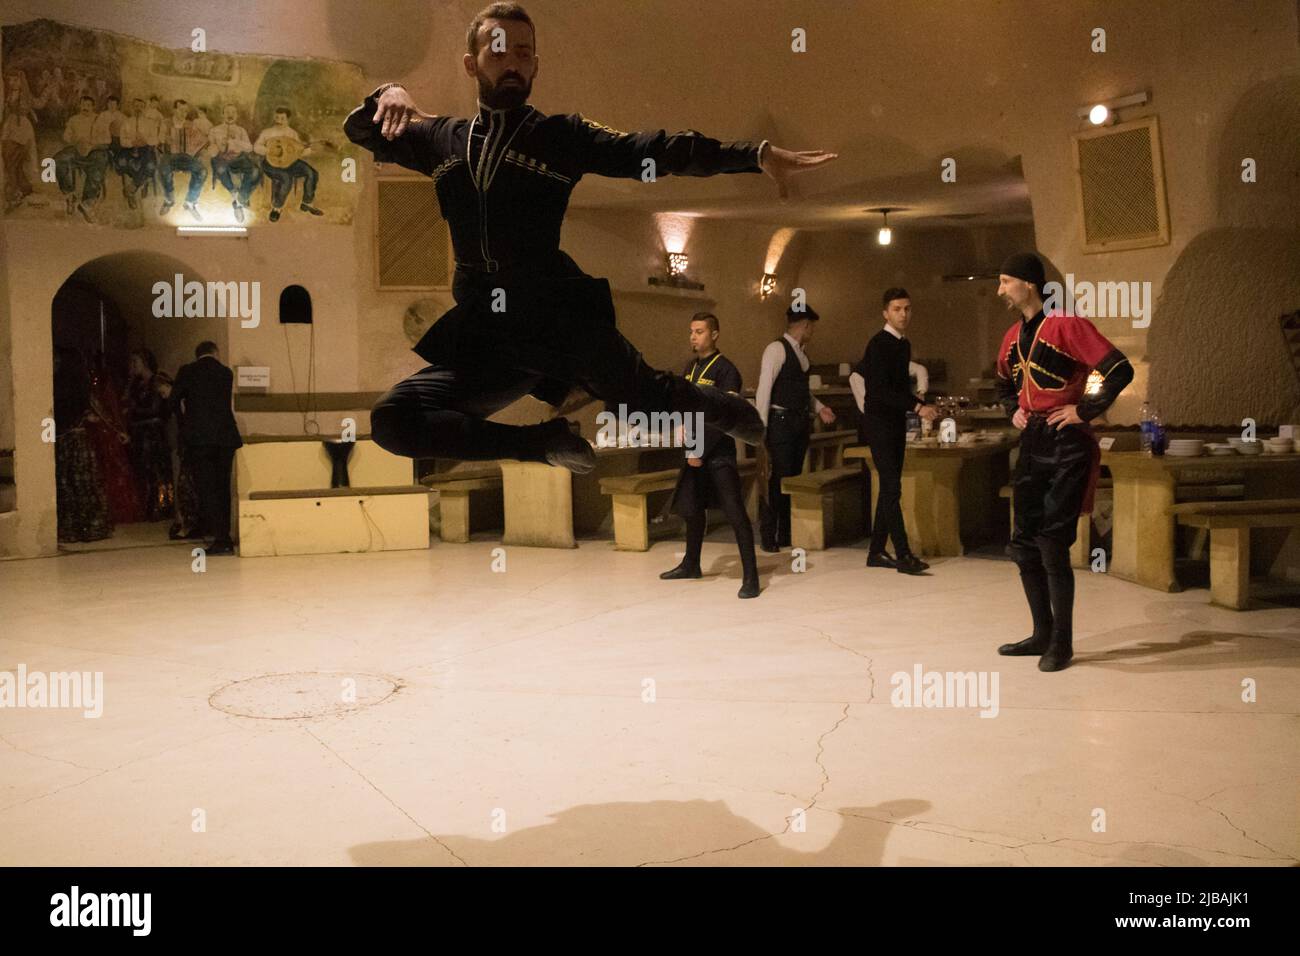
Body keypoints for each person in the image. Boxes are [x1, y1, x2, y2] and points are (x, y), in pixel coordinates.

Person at [343, 2, 836, 475]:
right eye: (498, 50)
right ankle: (542, 444)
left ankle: (719, 407)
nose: (512, 61)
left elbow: (653, 150)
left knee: (646, 396)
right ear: (471, 64)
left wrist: (752, 155)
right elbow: (361, 131)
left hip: (557, 318)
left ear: (536, 64)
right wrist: (389, 91)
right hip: (488, 332)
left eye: (523, 52)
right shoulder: (440, 139)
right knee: (393, 420)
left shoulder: (560, 138)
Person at [993, 253, 1133, 672]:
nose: (1000, 290)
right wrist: (1011, 410)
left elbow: (1119, 369)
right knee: (1023, 543)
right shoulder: (1012, 336)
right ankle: (1041, 633)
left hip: (1067, 444)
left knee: (1053, 544)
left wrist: (1084, 410)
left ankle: (1062, 642)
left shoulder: (1067, 325)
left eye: (1004, 281)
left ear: (1028, 285)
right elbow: (1004, 383)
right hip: (1033, 441)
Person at [659, 312, 760, 599]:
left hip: (717, 452)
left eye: (700, 331)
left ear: (714, 334)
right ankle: (691, 564)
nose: (693, 336)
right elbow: (681, 404)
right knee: (692, 509)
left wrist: (699, 448)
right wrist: (678, 425)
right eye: (691, 331)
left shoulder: (727, 370)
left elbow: (724, 417)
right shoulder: (690, 368)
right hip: (694, 449)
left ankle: (751, 576)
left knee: (734, 511)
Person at [853, 288, 936, 574]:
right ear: (885, 313)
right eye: (898, 309)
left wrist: (917, 403)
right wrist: (917, 406)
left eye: (907, 308)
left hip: (894, 422)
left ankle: (876, 551)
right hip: (878, 424)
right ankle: (903, 555)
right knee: (892, 488)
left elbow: (899, 387)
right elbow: (879, 390)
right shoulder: (878, 343)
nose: (904, 314)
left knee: (890, 487)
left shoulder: (903, 344)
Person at [753, 304, 836, 551]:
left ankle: (786, 534)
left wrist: (819, 406)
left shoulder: (801, 353)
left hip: (799, 424)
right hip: (780, 423)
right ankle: (769, 535)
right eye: (812, 327)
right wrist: (761, 430)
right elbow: (764, 389)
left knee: (792, 478)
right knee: (776, 478)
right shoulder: (776, 349)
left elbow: (800, 389)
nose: (813, 332)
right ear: (805, 325)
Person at [171, 341, 243, 554]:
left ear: (198, 355)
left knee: (206, 487)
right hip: (226, 438)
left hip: (200, 439)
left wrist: (184, 423)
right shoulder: (226, 373)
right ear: (215, 353)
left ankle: (219, 538)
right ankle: (225, 535)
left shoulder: (187, 371)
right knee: (222, 487)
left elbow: (173, 400)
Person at [53, 348, 112, 543]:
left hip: (66, 440)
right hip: (78, 440)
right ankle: (91, 525)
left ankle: (72, 527)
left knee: (68, 484)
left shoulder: (59, 386)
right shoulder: (81, 386)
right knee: (83, 484)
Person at [123, 348, 176, 521]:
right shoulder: (136, 385)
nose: (132, 366)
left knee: (158, 471)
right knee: (143, 471)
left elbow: (156, 408)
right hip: (140, 432)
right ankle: (147, 507)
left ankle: (162, 507)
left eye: (135, 362)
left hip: (153, 434)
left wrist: (133, 410)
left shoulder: (158, 381)